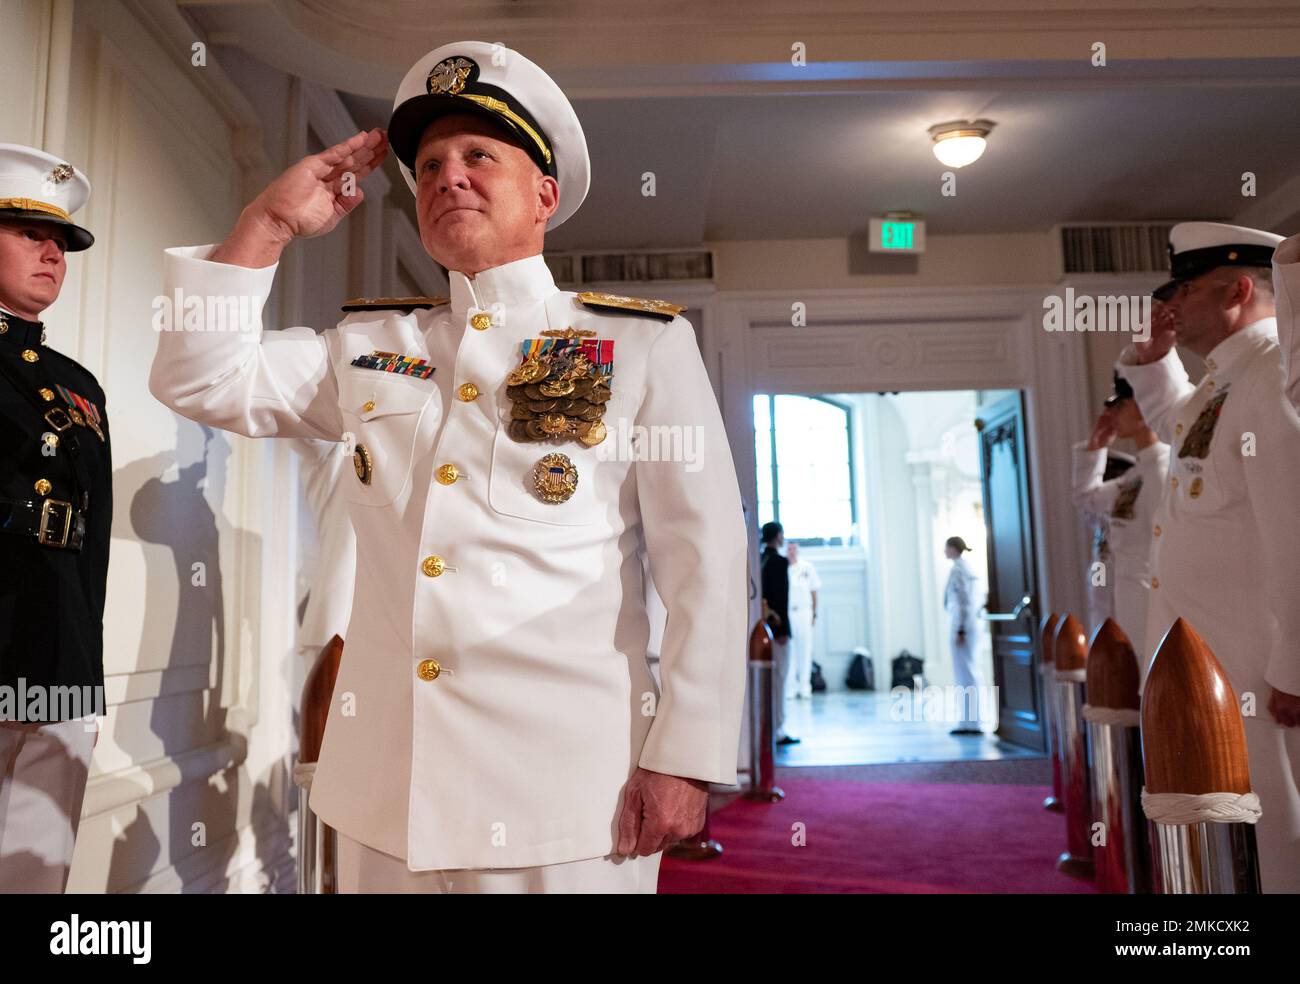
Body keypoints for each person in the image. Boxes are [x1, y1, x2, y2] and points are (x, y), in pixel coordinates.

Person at [147, 42, 747, 894]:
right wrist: (268, 225)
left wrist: (685, 758)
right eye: (428, 163)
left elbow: (707, 568)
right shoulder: (366, 350)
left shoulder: (640, 346)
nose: (448, 176)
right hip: (389, 795)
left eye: (478, 156)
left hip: (569, 799)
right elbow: (197, 376)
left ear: (545, 195)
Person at [1117, 221, 1300, 893]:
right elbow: (1183, 440)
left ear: (1239, 290)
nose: (1171, 307)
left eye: (1185, 291)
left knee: (1270, 841)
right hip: (1212, 669)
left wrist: (1295, 665)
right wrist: (1152, 358)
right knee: (1227, 839)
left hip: (1258, 671)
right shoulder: (1224, 382)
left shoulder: (1271, 375)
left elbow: (1295, 524)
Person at [0, 144, 109, 892]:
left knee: (36, 871)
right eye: (29, 234)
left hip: (60, 644)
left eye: (62, 243)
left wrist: (88, 660)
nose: (52, 253)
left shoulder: (78, 384)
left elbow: (92, 534)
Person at [1071, 371, 1170, 657]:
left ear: (1146, 406)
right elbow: (1087, 498)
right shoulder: (1137, 474)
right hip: (1126, 607)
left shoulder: (1163, 473)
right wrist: (1095, 450)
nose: (1110, 413)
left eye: (1121, 405)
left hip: (1152, 612)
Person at [759, 521, 798, 745]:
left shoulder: (760, 559)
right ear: (779, 536)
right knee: (780, 679)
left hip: (763, 625)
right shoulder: (779, 562)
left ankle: (769, 726)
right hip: (777, 626)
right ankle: (779, 729)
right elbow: (781, 597)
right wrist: (783, 629)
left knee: (768, 682)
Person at [942, 536, 983, 735]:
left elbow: (962, 601)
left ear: (952, 549)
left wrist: (960, 629)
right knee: (968, 672)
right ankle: (968, 720)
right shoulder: (968, 569)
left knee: (965, 673)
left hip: (963, 626)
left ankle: (971, 721)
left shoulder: (958, 570)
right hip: (969, 625)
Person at [785, 542, 821, 699]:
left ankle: (805, 686)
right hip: (789, 611)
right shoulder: (783, 567)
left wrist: (814, 613)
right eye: (789, 549)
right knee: (790, 650)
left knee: (805, 649)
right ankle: (791, 687)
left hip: (805, 611)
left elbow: (814, 590)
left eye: (794, 549)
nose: (791, 551)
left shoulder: (807, 567)